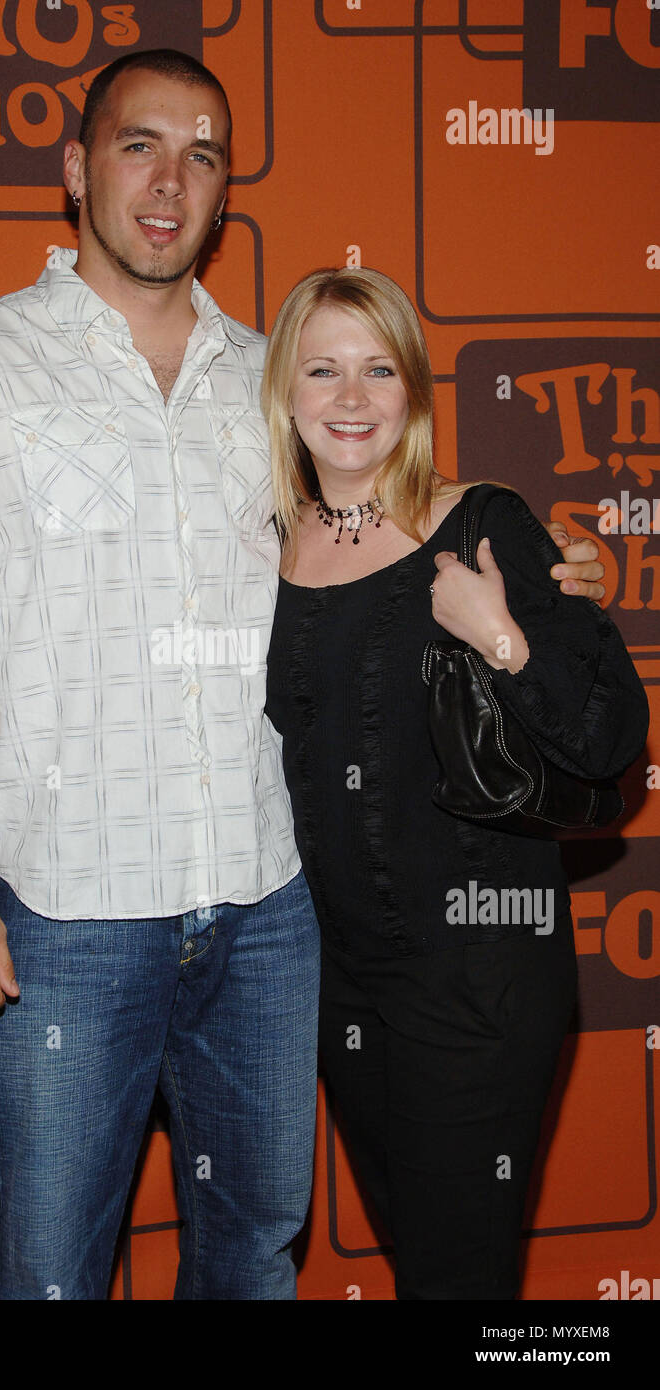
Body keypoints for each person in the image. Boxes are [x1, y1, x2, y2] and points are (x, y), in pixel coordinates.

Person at [0, 50, 607, 1302]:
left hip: (268, 906)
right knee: (48, 1270)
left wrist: (543, 554)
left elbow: (383, 515)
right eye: (140, 145)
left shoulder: (273, 382)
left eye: (203, 154)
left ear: (225, 192)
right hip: (68, 911)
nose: (169, 180)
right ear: (78, 168)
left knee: (252, 1254)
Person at [260, 266, 648, 1300]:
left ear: (416, 391)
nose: (351, 398)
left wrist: (504, 637)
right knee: (432, 1260)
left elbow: (614, 736)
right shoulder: (258, 550)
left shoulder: (482, 524)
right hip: (338, 980)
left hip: (477, 969)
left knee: (458, 1278)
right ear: (284, 394)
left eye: (379, 369)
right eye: (324, 369)